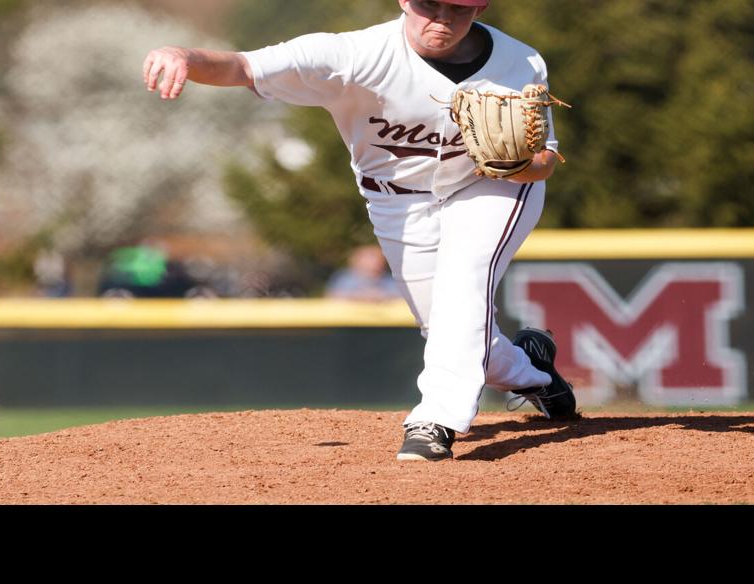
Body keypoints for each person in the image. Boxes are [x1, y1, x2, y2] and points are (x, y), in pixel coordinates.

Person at [142, 0, 577, 462]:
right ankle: (535, 373)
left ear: (480, 7)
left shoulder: (520, 60)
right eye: (430, 4)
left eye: (460, 8)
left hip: (489, 186)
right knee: (452, 329)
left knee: (463, 280)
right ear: (405, 1)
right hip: (397, 199)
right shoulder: (351, 55)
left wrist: (517, 163)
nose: (443, 18)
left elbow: (544, 162)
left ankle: (435, 420)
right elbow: (243, 67)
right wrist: (183, 55)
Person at [326, 245, 400, 302]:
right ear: (357, 261)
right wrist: (360, 296)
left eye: (378, 258)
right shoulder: (344, 278)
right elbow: (333, 296)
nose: (375, 262)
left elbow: (401, 296)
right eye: (370, 258)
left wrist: (382, 296)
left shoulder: (389, 279)